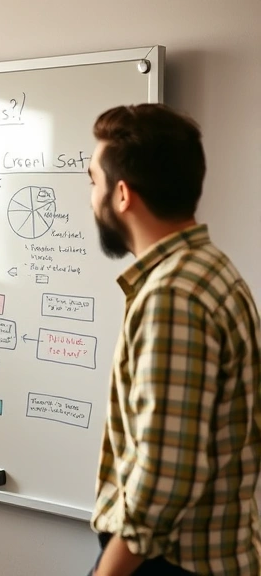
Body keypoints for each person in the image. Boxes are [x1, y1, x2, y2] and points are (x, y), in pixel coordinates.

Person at [88, 104, 261, 575]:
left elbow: (164, 478)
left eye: (93, 181)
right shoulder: (210, 270)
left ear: (122, 194)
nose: (91, 197)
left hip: (171, 564)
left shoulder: (172, 295)